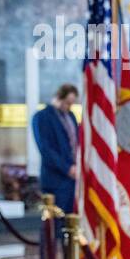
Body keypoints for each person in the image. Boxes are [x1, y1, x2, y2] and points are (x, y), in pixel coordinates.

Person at [30, 83, 79, 213]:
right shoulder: (42, 117)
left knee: (70, 221)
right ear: (58, 97)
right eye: (67, 103)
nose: (69, 107)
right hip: (55, 178)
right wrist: (67, 168)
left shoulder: (71, 116)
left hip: (72, 178)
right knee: (54, 224)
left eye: (72, 103)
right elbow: (46, 150)